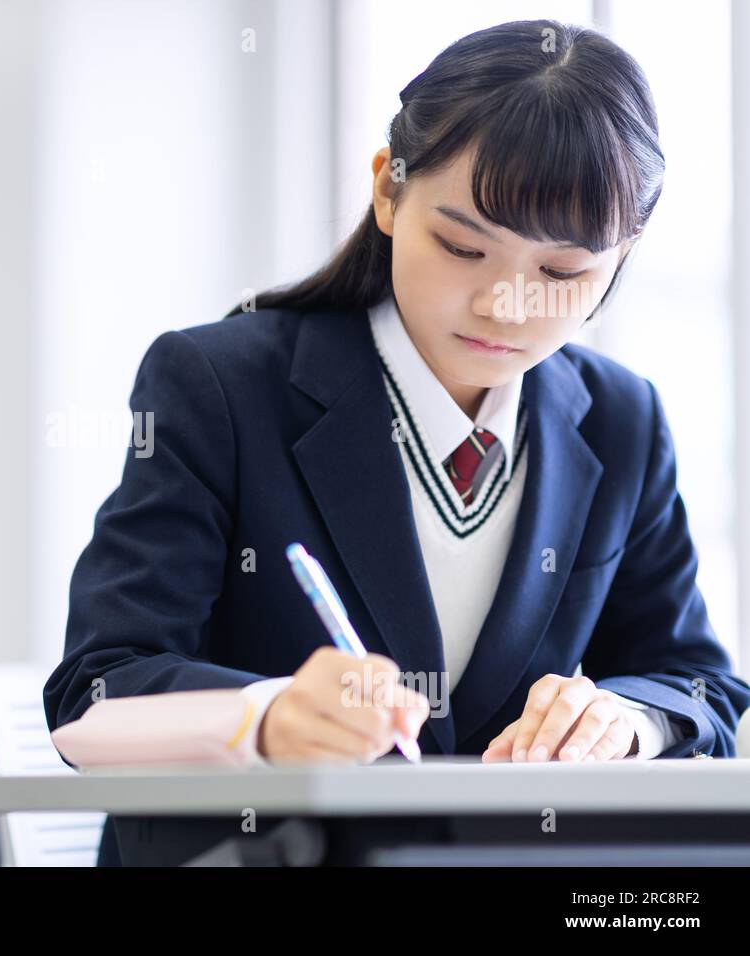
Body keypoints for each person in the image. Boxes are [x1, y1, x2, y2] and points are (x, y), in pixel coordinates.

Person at [45, 19, 750, 865]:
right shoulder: (218, 385)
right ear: (388, 190)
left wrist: (624, 721)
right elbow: (94, 690)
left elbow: (699, 682)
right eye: (462, 247)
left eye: (563, 274)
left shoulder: (621, 420)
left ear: (623, 254)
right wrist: (267, 717)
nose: (506, 306)